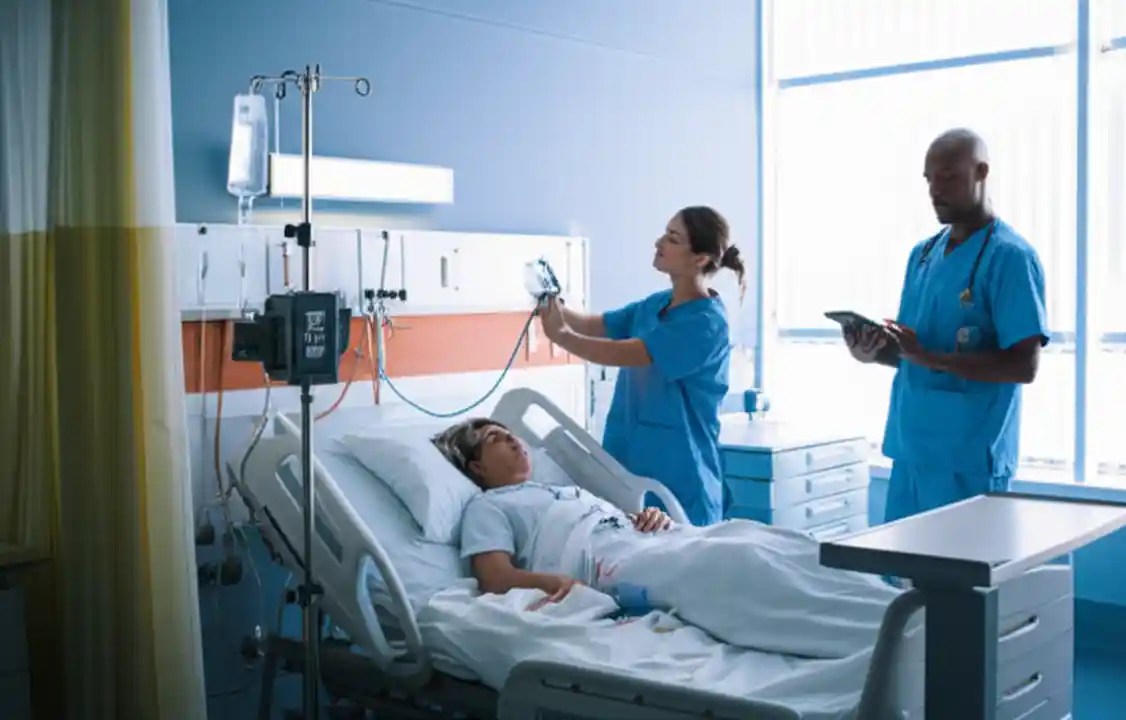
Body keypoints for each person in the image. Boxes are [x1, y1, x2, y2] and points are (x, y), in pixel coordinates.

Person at [432, 418, 903, 660]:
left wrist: (648, 517)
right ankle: (898, 636)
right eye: (497, 438)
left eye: (512, 432)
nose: (515, 440)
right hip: (615, 568)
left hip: (651, 541)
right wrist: (556, 580)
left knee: (771, 542)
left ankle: (910, 610)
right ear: (475, 467)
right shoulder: (488, 507)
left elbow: (615, 522)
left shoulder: (555, 488)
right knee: (742, 564)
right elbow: (494, 577)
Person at [846, 128, 1049, 524]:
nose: (935, 190)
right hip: (912, 450)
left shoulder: (1010, 258)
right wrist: (873, 352)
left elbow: (1024, 365)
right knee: (902, 578)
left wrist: (934, 358)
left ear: (981, 172)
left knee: (961, 578)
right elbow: (913, 354)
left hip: (968, 458)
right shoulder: (921, 255)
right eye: (929, 179)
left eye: (948, 176)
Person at [537, 206, 746, 526]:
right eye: (664, 233)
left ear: (700, 258)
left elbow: (629, 353)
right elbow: (600, 325)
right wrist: (553, 306)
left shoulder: (706, 323)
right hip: (629, 461)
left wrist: (561, 337)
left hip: (681, 473)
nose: (659, 242)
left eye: (673, 239)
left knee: (680, 563)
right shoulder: (657, 304)